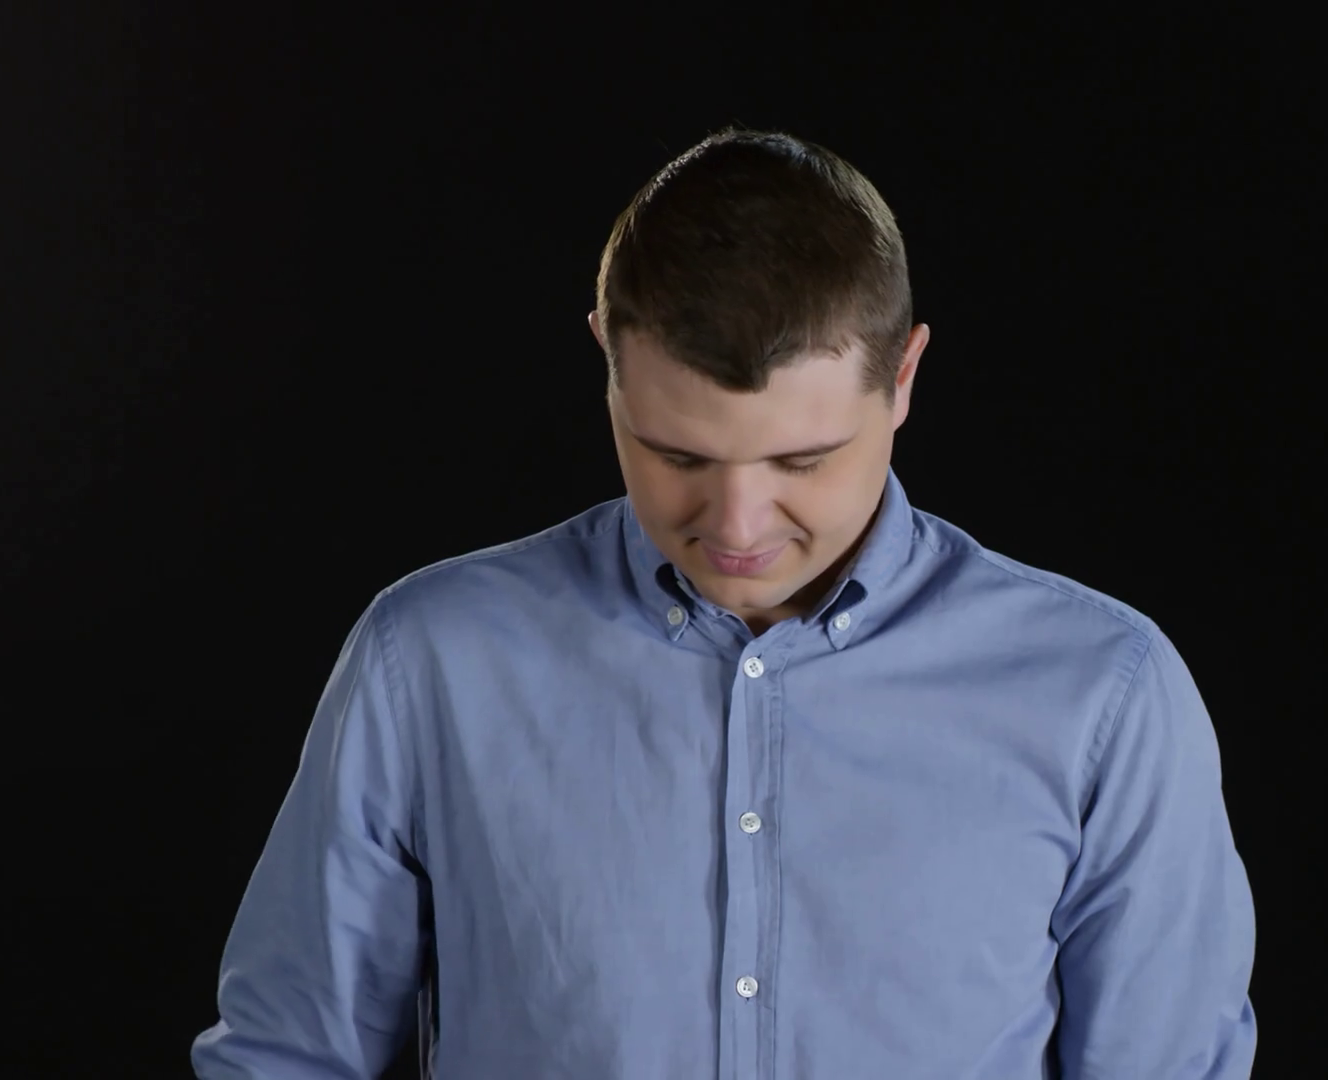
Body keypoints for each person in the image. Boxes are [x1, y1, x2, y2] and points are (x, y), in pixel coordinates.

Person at [191, 128, 1258, 1079]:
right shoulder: (429, 661)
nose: (739, 526)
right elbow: (287, 1057)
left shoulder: (1103, 695)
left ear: (904, 380)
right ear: (608, 359)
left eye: (804, 459)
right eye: (676, 455)